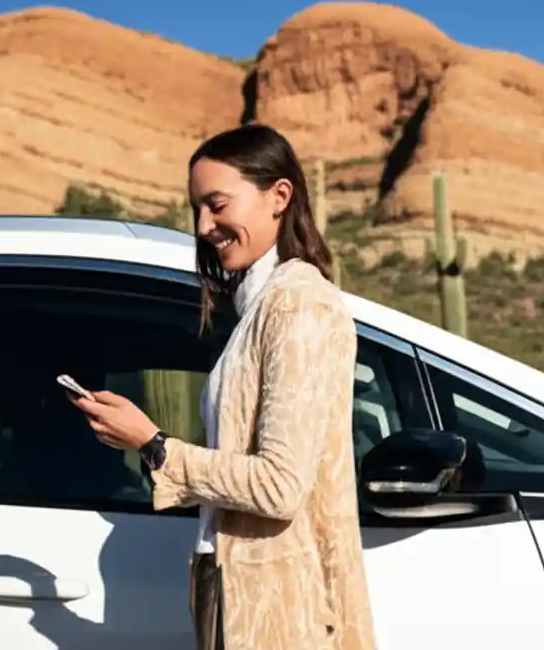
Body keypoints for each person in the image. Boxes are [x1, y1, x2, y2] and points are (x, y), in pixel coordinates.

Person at [67, 123, 377, 650]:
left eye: (217, 204)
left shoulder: (298, 303)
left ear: (279, 196)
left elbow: (280, 486)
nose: (205, 225)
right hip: (231, 583)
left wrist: (154, 445)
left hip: (284, 607)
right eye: (197, 210)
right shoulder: (258, 310)